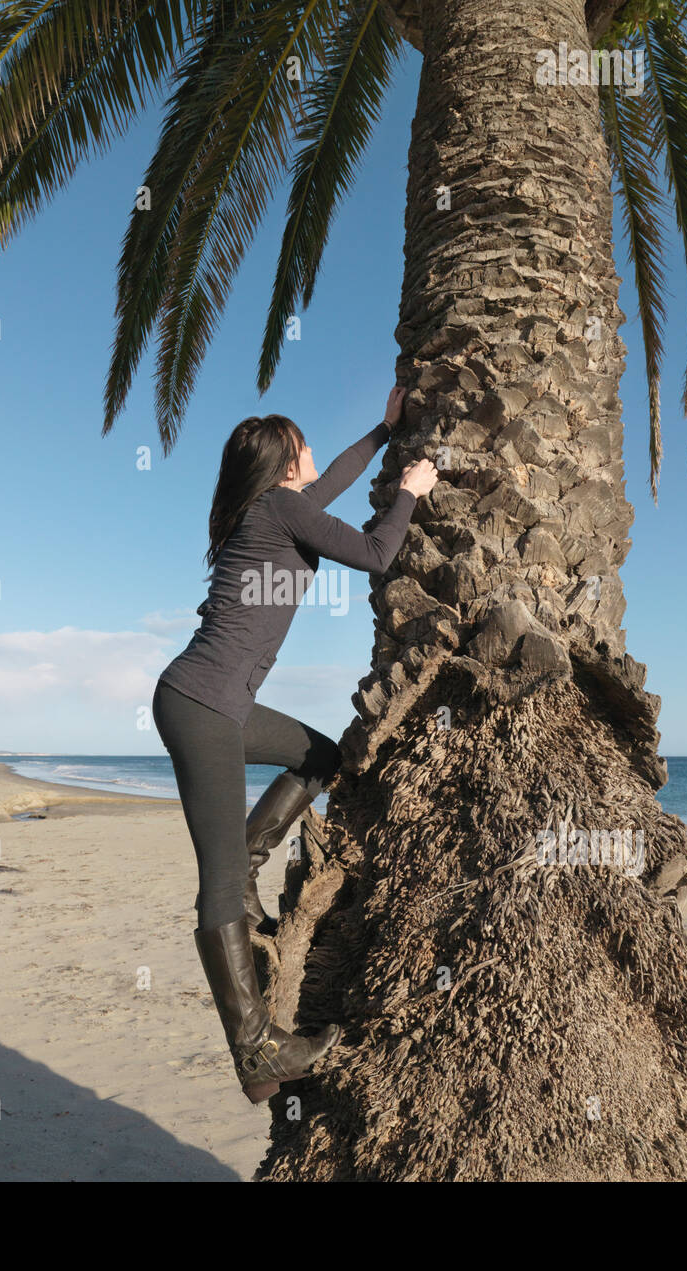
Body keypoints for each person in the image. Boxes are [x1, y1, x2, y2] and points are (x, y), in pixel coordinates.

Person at [153, 386, 439, 1102]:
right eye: (303, 445)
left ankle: (250, 862)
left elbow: (326, 486)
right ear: (285, 463)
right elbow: (377, 553)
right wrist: (408, 491)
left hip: (210, 703)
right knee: (214, 886)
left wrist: (383, 428)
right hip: (205, 707)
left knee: (320, 756)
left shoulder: (271, 509)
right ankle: (254, 1049)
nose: (312, 455)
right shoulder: (280, 510)